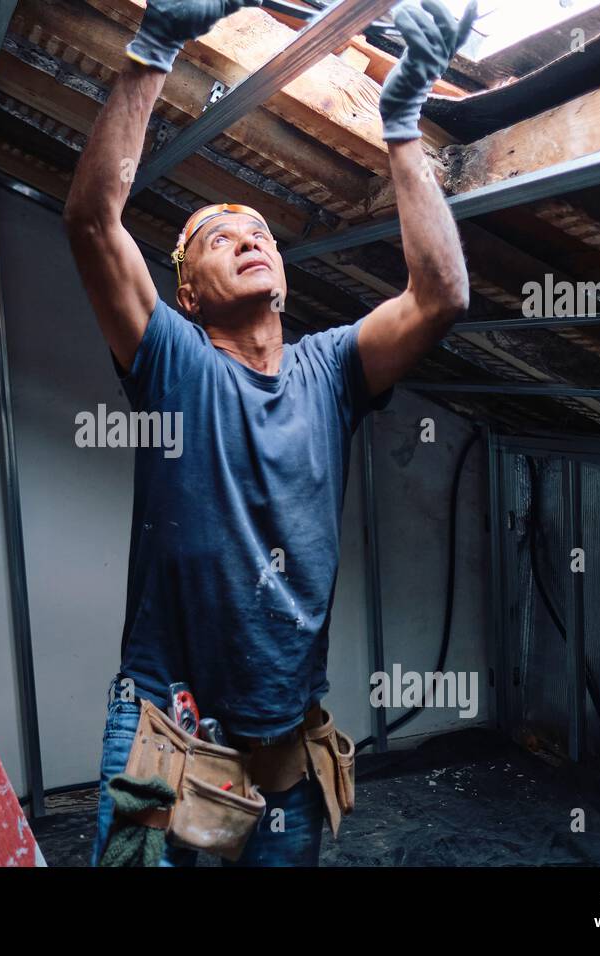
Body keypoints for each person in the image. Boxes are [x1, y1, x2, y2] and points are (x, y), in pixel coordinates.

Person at [64, 0, 474, 866]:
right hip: (164, 725)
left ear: (283, 279)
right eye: (219, 236)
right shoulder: (174, 362)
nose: (248, 235)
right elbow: (93, 221)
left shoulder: (330, 370)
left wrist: (402, 124)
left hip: (285, 733)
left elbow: (441, 296)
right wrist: (154, 45)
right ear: (189, 295)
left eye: (260, 232)